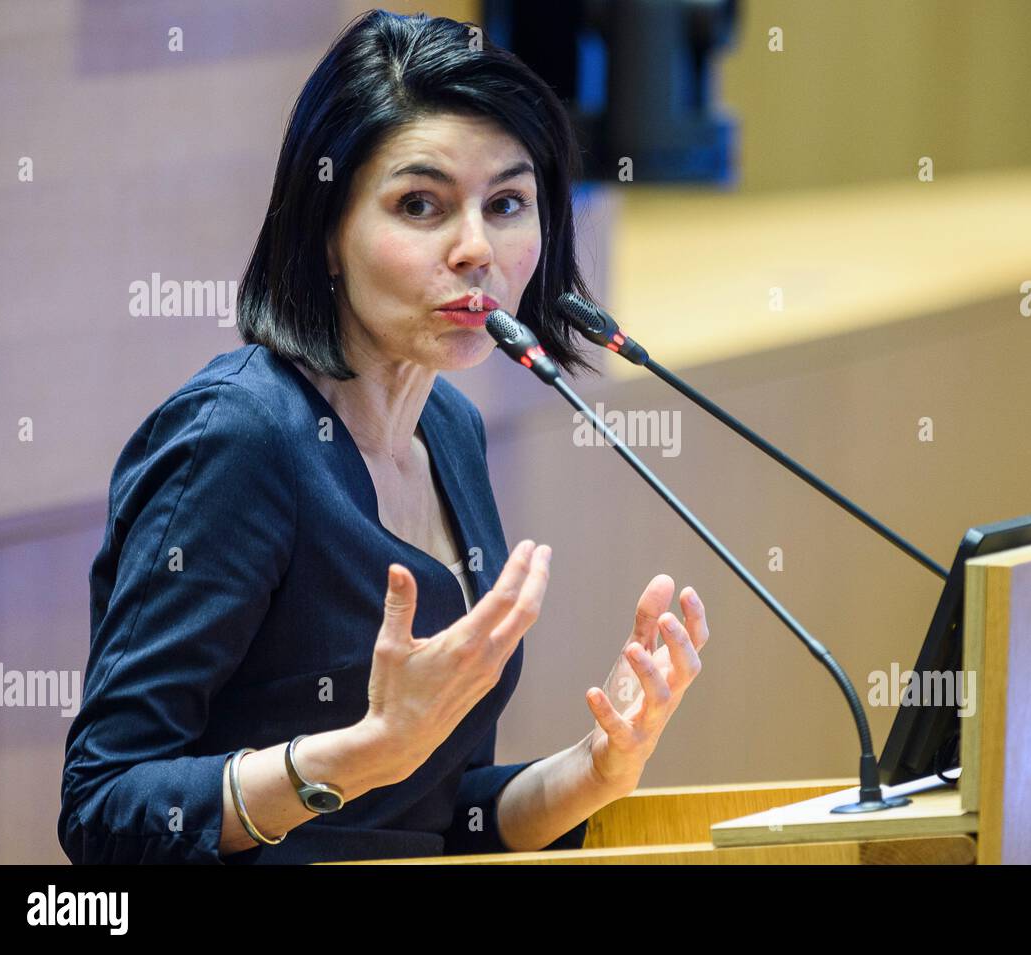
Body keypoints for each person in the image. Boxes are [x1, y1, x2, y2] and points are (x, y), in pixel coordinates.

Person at [58, 9, 709, 865]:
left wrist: (595, 766)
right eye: (420, 204)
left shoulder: (450, 430)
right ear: (328, 232)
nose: (478, 248)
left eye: (508, 202)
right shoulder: (240, 438)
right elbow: (104, 810)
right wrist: (359, 754)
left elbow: (435, 818)